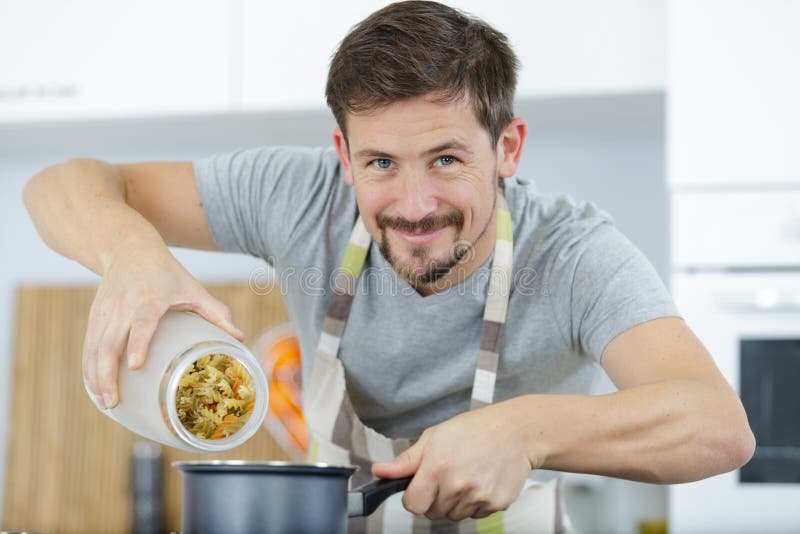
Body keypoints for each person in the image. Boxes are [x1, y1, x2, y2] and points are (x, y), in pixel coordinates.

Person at [24, 1, 754, 531]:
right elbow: (61, 183)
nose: (413, 204)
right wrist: (132, 254)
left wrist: (526, 430)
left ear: (506, 149)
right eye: (380, 162)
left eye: (445, 158)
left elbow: (718, 426)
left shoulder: (573, 254)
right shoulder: (298, 195)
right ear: (344, 157)